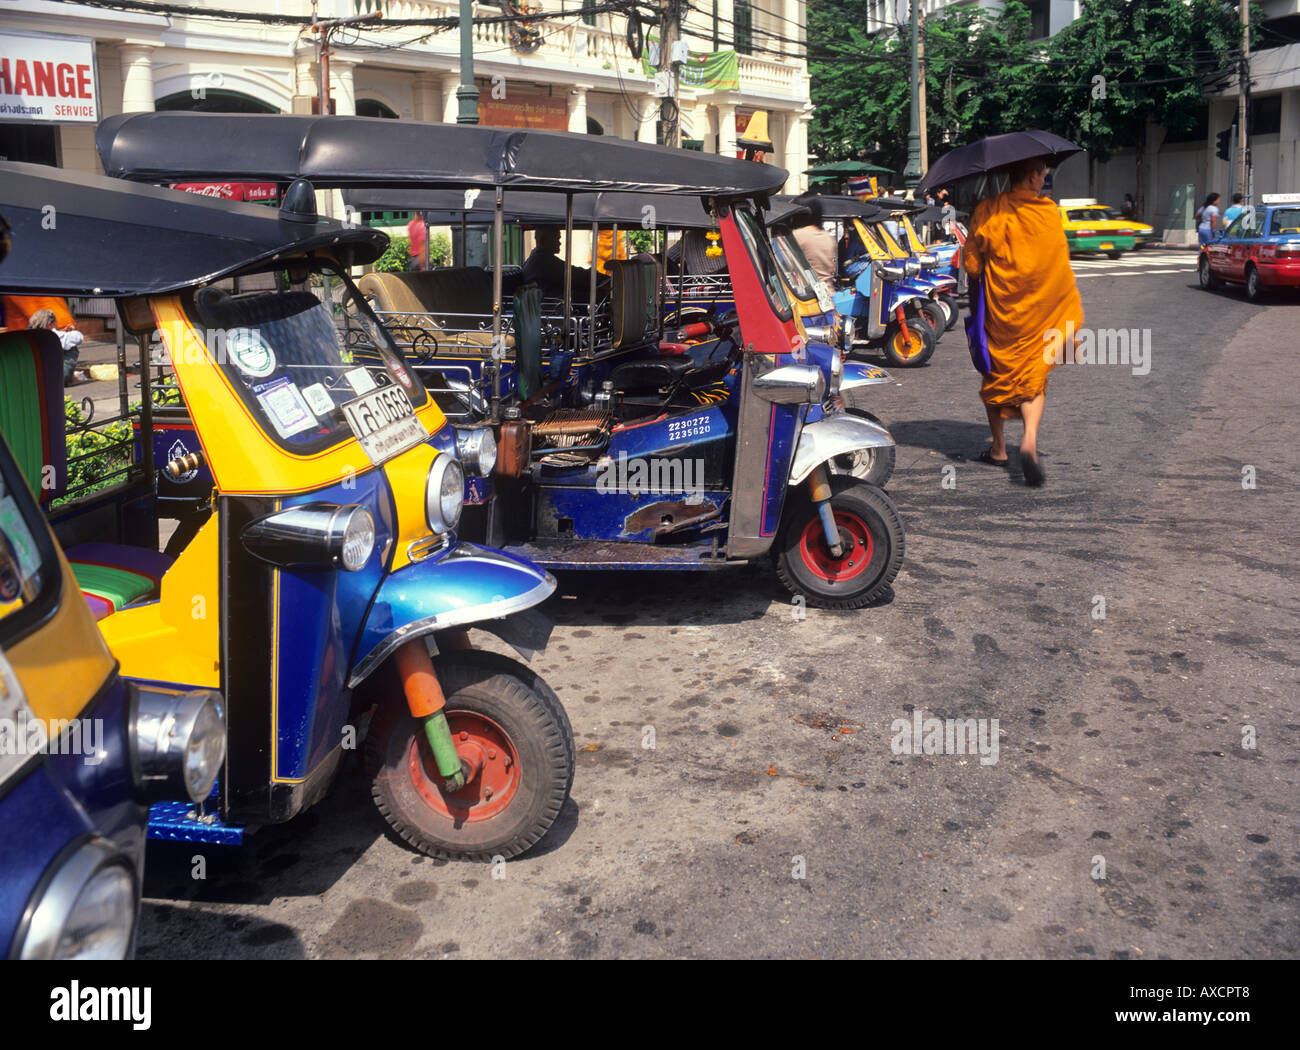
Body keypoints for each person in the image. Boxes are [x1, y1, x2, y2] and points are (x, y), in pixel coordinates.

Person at [963, 156, 1084, 487]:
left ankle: (999, 448)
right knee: (1034, 377)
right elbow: (1057, 263)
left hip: (1002, 315)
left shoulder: (988, 211)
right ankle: (1029, 438)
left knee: (995, 377)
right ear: (1032, 177)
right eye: (1043, 174)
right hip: (1042, 315)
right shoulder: (1048, 213)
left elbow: (972, 265)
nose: (1044, 179)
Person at [522, 227, 593, 299]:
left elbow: (572, 272)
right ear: (544, 240)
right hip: (551, 305)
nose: (560, 243)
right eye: (556, 239)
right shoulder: (544, 261)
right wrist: (594, 276)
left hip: (551, 301)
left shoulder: (538, 258)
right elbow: (573, 274)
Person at [28, 307, 86, 385]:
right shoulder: (52, 336)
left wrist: (62, 332)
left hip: (33, 376)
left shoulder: (30, 335)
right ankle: (64, 378)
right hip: (53, 378)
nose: (57, 324)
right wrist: (70, 332)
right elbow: (79, 337)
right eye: (55, 322)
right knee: (71, 348)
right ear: (49, 324)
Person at [791, 197, 837, 284]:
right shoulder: (828, 238)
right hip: (828, 291)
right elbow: (832, 267)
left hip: (808, 291)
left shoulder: (798, 235)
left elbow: (788, 265)